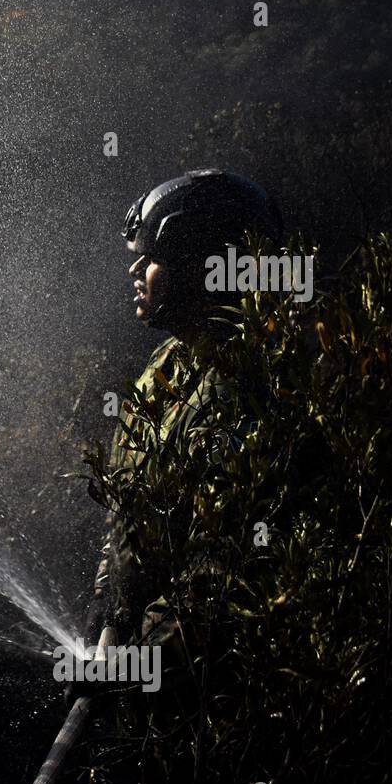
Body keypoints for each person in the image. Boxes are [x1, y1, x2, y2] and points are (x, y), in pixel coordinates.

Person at [91, 169, 284, 648]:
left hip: (201, 703)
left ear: (201, 266)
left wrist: (141, 660)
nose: (135, 272)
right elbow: (128, 507)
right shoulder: (170, 362)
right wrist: (107, 606)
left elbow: (221, 565)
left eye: (153, 260)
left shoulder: (243, 392)